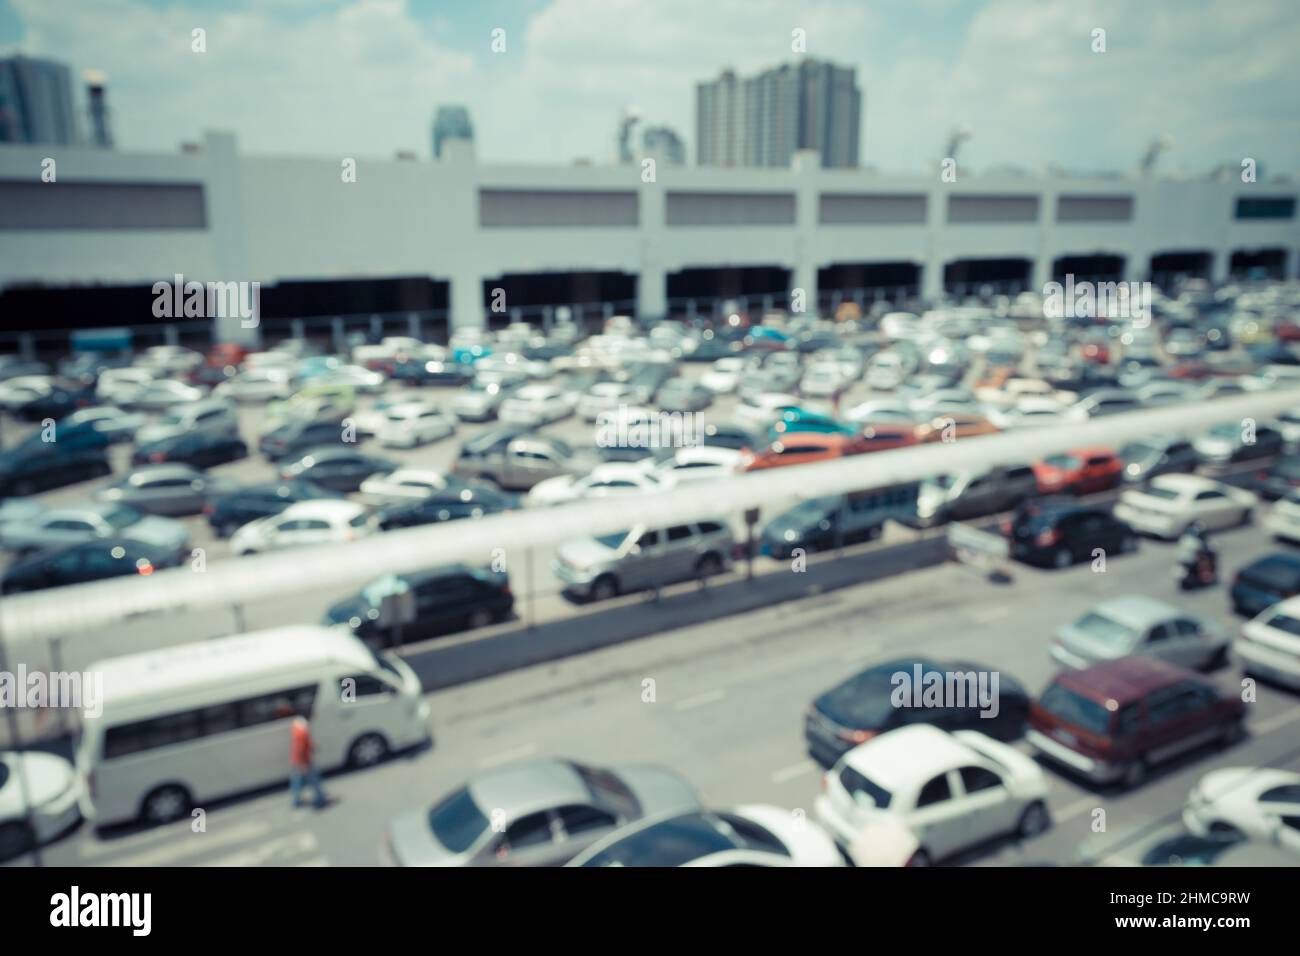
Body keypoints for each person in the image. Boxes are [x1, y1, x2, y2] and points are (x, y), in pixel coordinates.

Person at [289, 715, 328, 810]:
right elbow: (301, 748)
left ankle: (296, 801)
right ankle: (321, 798)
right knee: (314, 780)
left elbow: (304, 745)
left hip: (296, 761)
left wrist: (313, 746)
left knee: (297, 782)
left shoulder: (296, 730)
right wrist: (303, 764)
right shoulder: (302, 732)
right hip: (304, 762)